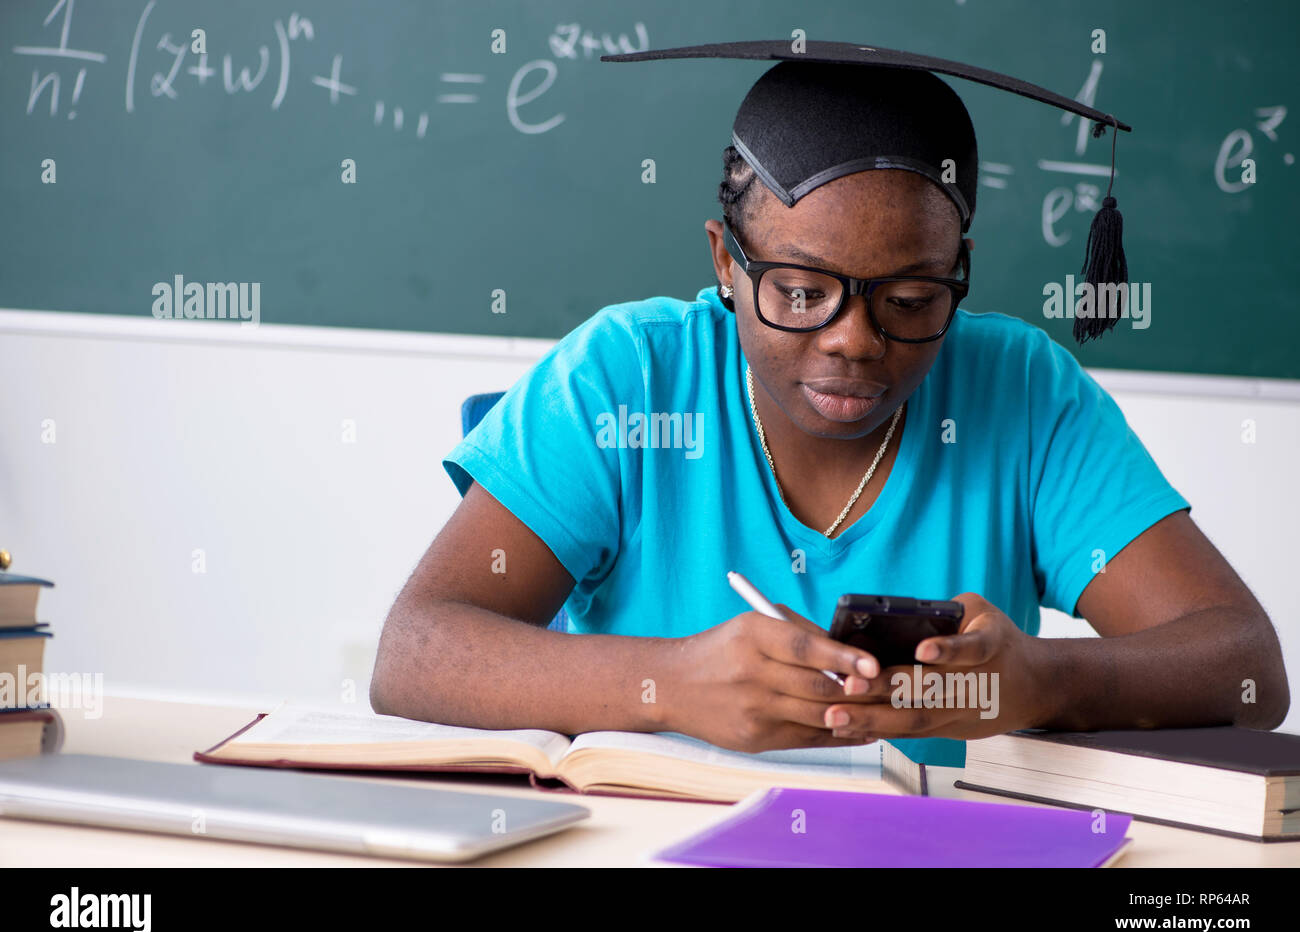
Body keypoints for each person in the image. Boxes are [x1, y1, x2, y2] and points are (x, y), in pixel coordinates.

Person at [370, 43, 1289, 763]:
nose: (854, 338)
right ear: (726, 263)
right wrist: (673, 683)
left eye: (910, 300)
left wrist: (1046, 677)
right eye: (802, 292)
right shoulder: (628, 378)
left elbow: (1244, 664)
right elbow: (416, 649)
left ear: (958, 276)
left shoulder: (1022, 391)